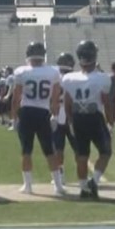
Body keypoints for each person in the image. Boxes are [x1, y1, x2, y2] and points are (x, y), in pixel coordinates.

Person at [52, 40, 114, 200]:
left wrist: (71, 121)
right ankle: (94, 181)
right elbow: (106, 103)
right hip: (95, 118)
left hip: (78, 118)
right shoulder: (103, 78)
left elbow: (68, 103)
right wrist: (110, 122)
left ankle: (83, 188)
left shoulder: (69, 79)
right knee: (106, 152)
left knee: (82, 155)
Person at [10, 41, 63, 194]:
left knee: (26, 150)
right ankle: (58, 186)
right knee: (50, 150)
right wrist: (55, 115)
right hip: (43, 112)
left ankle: (28, 186)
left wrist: (14, 118)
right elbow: (55, 97)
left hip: (26, 112)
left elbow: (16, 97)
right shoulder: (53, 72)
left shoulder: (22, 71)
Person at [50, 52, 76, 193]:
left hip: (58, 115)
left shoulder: (54, 77)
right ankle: (82, 177)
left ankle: (60, 175)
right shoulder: (75, 78)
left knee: (58, 148)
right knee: (78, 148)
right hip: (72, 116)